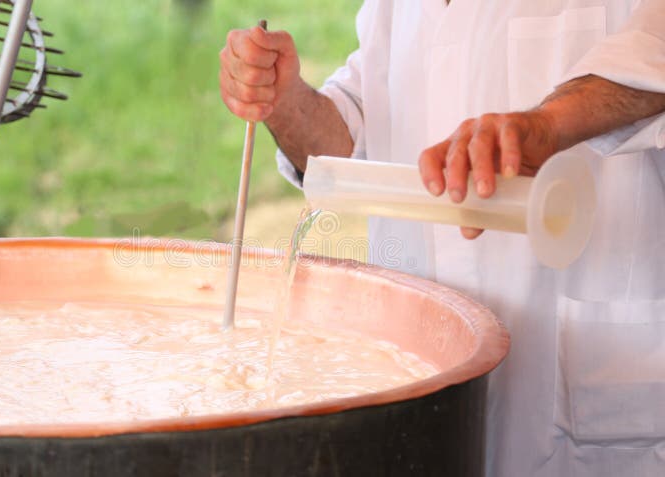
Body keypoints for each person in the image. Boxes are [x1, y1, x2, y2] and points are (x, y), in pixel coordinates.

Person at [219, 1, 665, 476]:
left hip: (591, 406)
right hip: (426, 380)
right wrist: (287, 102)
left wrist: (548, 123)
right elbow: (357, 140)